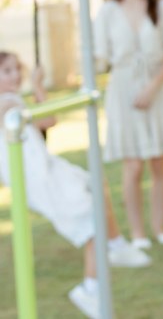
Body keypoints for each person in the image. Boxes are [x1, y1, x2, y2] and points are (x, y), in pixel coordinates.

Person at [0, 51, 151, 319]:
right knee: (91, 225)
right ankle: (89, 289)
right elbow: (36, 118)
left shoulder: (12, 100)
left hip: (47, 166)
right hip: (38, 177)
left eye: (16, 69)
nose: (15, 75)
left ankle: (115, 245)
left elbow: (47, 121)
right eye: (7, 71)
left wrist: (36, 89)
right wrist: (35, 91)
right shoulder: (7, 103)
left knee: (95, 182)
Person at [93, 0, 163, 250]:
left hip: (154, 87)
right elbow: (99, 57)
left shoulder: (160, 7)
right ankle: (137, 232)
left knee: (159, 162)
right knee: (132, 166)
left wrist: (152, 88)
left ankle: (159, 227)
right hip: (122, 91)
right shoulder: (108, 11)